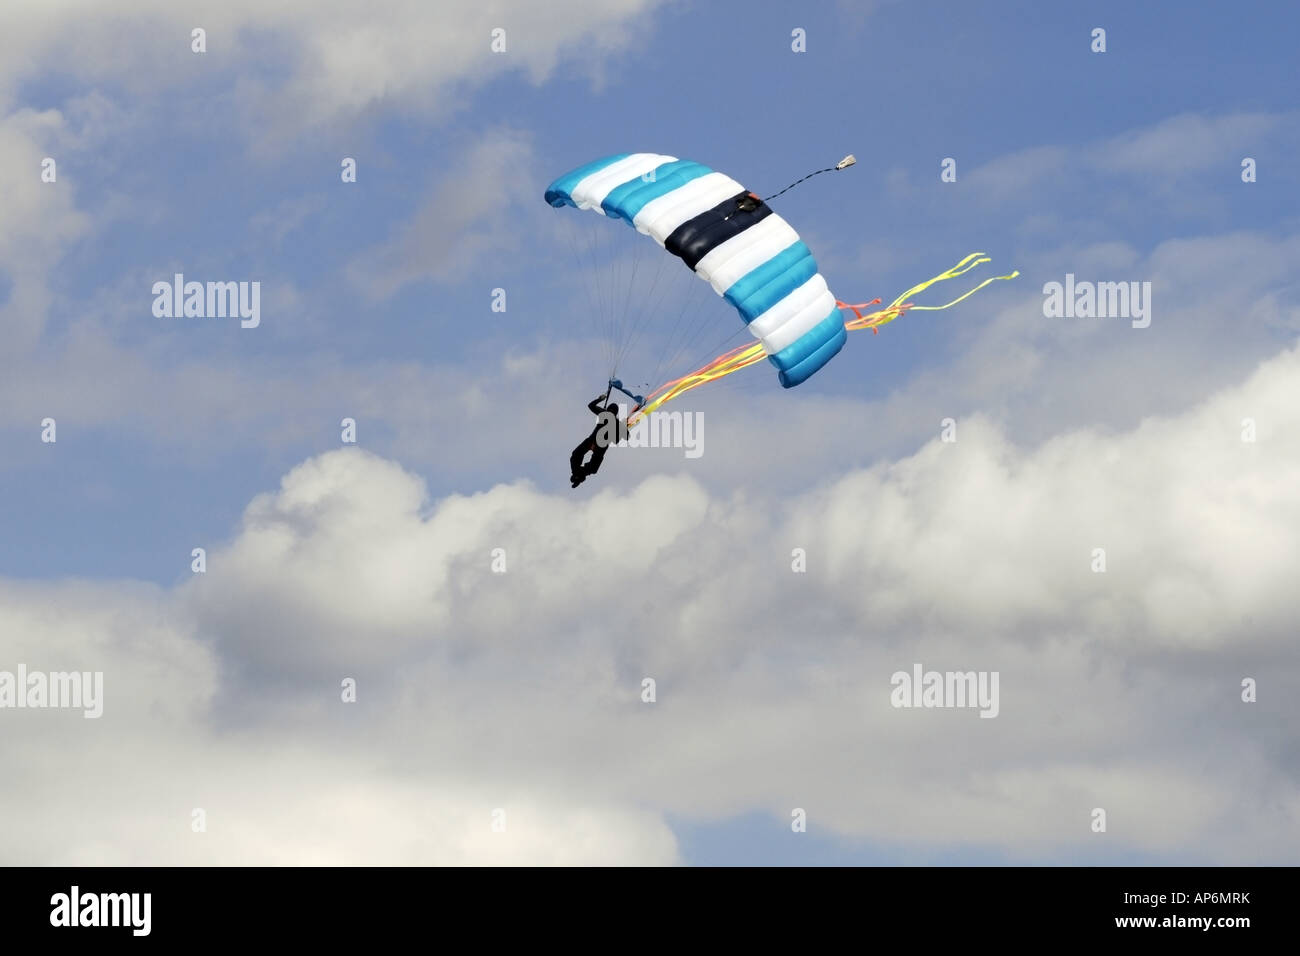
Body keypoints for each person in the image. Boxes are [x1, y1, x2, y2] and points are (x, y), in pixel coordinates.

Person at [570, 390, 627, 488]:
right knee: (588, 465)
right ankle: (579, 475)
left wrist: (599, 399)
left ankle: (578, 475)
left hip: (594, 442)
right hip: (598, 445)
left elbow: (590, 406)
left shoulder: (605, 414)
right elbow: (617, 440)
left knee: (577, 457)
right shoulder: (615, 422)